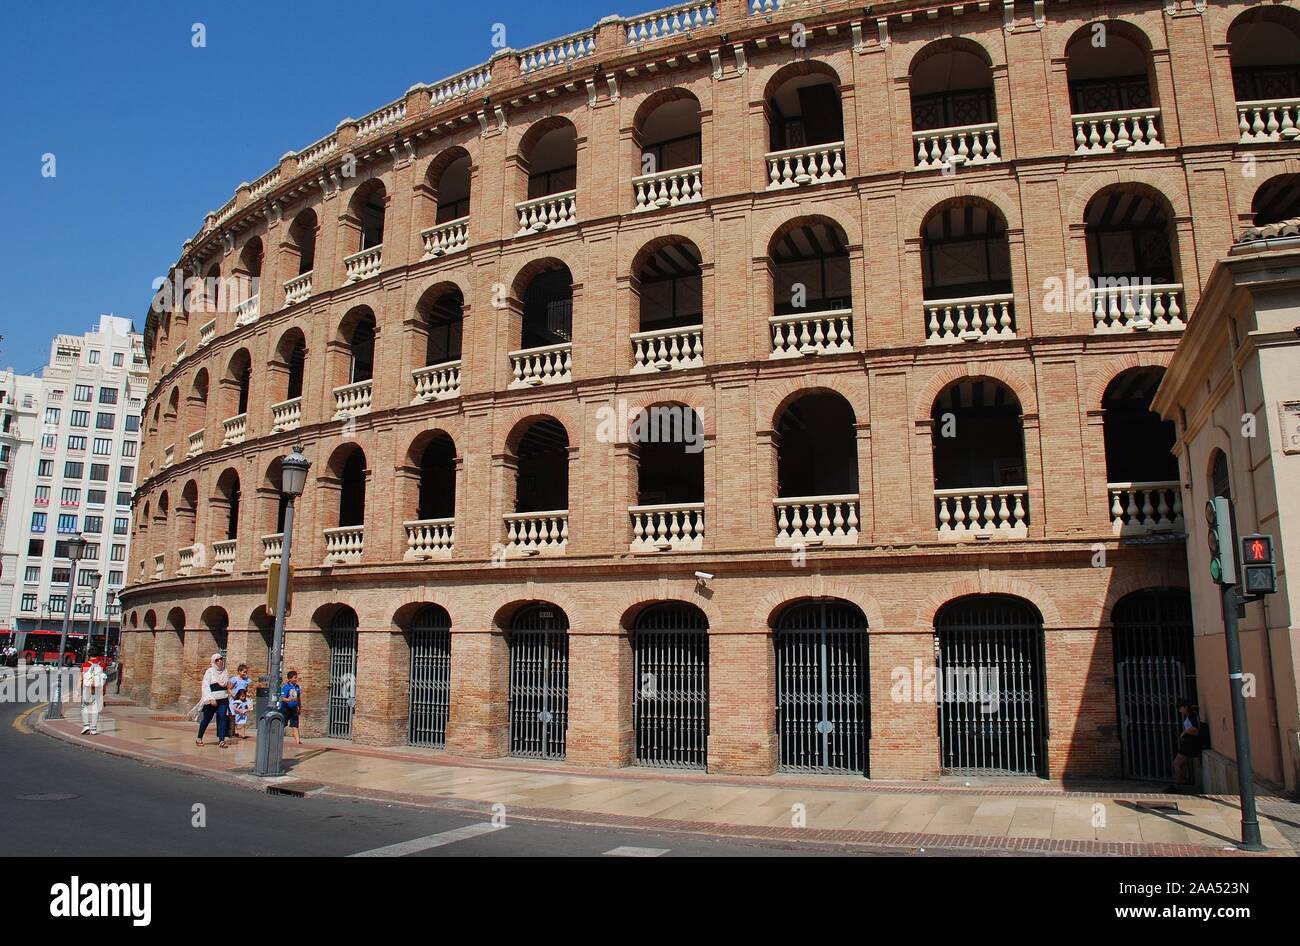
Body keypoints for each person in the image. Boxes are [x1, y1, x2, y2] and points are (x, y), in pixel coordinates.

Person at [196, 653, 231, 748]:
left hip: (223, 700)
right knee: (206, 719)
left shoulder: (225, 671)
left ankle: (221, 740)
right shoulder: (210, 672)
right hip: (212, 700)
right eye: (217, 660)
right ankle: (199, 738)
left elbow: (226, 685)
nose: (220, 661)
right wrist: (210, 699)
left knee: (222, 717)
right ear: (213, 662)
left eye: (221, 659)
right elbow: (205, 686)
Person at [1169, 701, 1201, 792]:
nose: (1180, 711)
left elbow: (1195, 728)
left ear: (1185, 707)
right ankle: (1179, 783)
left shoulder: (1192, 715)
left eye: (1180, 708)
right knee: (1181, 765)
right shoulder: (1189, 715)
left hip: (1189, 743)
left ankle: (1177, 785)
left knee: (1176, 763)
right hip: (1187, 743)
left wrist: (1184, 732)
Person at [79, 647, 108, 735]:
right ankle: (94, 728)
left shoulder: (85, 665)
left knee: (85, 707)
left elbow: (82, 678)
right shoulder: (102, 665)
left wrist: (79, 690)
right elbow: (104, 678)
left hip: (87, 688)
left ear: (89, 655)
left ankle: (86, 726)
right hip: (98, 688)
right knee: (96, 708)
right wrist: (104, 690)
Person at [228, 663, 252, 737]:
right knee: (233, 715)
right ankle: (232, 731)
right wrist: (233, 695)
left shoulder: (246, 680)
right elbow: (229, 688)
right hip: (235, 699)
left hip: (242, 700)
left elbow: (247, 689)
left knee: (242, 715)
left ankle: (241, 732)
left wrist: (248, 694)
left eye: (246, 672)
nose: (245, 674)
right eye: (243, 672)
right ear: (239, 671)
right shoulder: (234, 679)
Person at [280, 670, 302, 746]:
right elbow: (282, 698)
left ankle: (297, 741)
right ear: (289, 679)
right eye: (294, 677)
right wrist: (289, 700)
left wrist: (299, 706)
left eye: (296, 677)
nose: (296, 679)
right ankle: (278, 738)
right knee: (282, 724)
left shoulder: (297, 687)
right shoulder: (286, 687)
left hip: (294, 708)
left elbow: (298, 698)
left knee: (295, 725)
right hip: (286, 708)